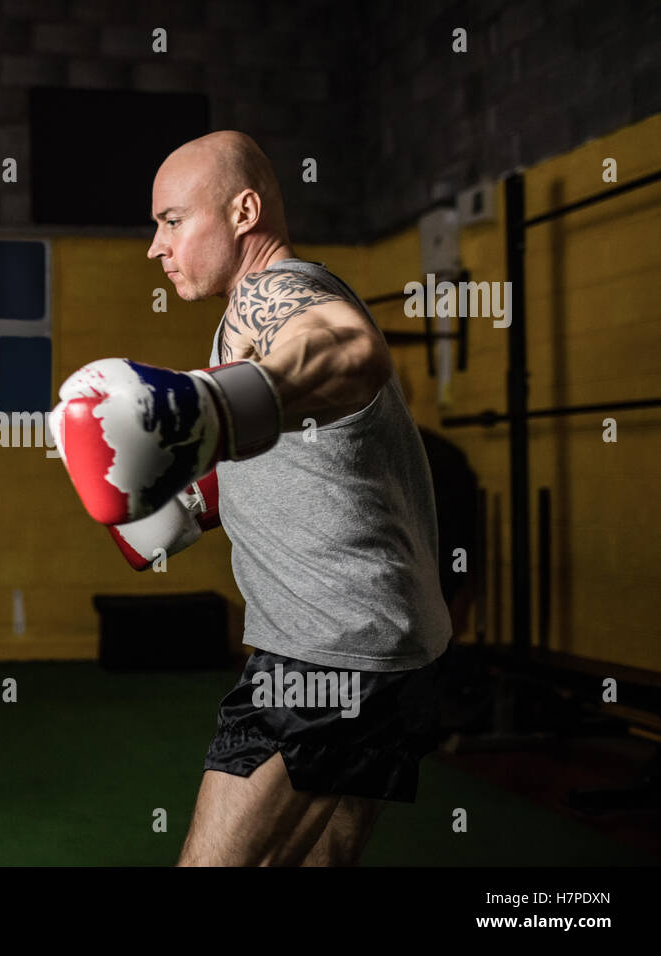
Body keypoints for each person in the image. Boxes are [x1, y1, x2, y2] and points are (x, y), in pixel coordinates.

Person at [51, 131, 452, 865]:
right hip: (394, 652)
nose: (155, 246)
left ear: (244, 211)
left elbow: (349, 350)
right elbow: (308, 430)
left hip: (323, 659)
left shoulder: (276, 294)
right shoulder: (262, 307)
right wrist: (203, 493)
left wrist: (205, 408)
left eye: (173, 220)